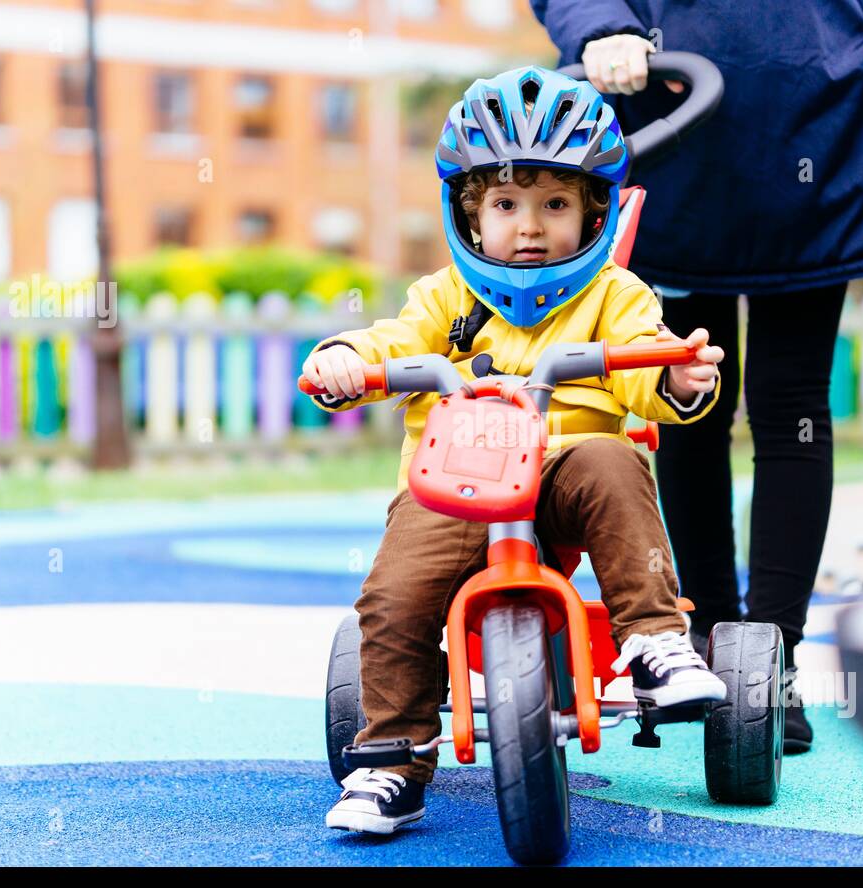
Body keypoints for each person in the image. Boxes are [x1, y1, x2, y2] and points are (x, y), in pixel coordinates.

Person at [303, 67, 728, 835]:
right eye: (506, 204)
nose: (529, 227)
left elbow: (644, 364)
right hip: (455, 485)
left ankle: (657, 641)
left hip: (566, 475)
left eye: (555, 205)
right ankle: (389, 759)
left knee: (614, 460)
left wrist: (676, 373)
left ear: (593, 211)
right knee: (392, 598)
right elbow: (392, 343)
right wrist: (344, 359)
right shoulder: (443, 298)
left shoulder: (615, 294)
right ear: (470, 212)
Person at [530, 0, 863, 753]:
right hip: (676, 112)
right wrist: (599, 28)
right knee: (690, 394)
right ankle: (714, 642)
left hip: (818, 111)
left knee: (791, 404)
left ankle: (772, 661)